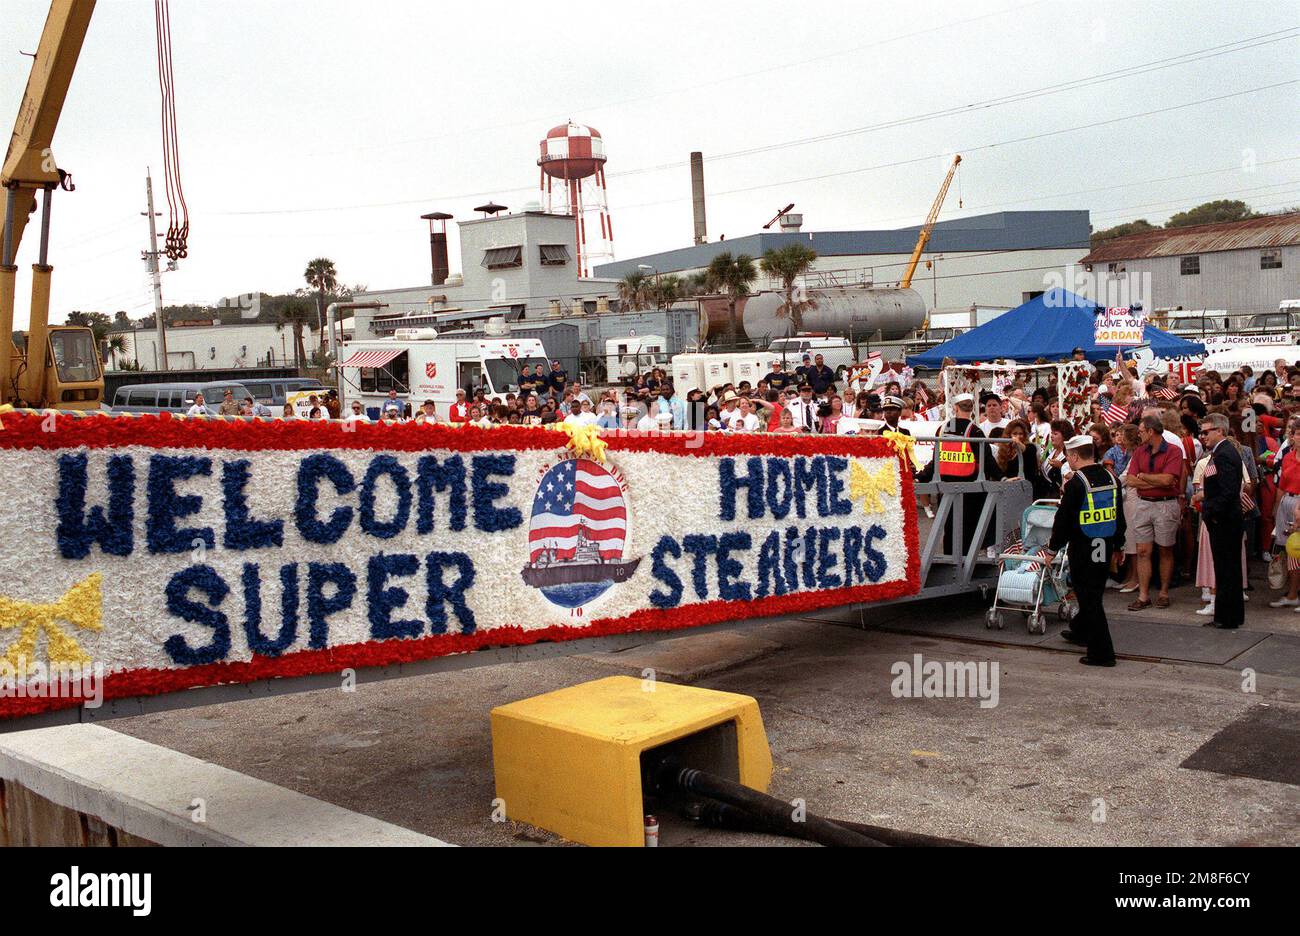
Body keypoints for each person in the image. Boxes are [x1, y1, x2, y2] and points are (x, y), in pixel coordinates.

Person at [1044, 435, 1124, 666]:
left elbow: (1063, 520)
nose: (1067, 458)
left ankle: (1102, 653)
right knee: (1094, 592)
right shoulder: (1112, 478)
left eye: (1068, 455)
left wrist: (1051, 549)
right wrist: (1118, 545)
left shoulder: (1076, 483)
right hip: (1106, 543)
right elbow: (1118, 515)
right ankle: (1080, 630)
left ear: (1075, 456)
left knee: (1089, 597)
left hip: (1083, 547)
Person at [1124, 413, 1185, 611]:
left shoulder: (1173, 451)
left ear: (1151, 432)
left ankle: (1164, 592)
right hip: (1144, 504)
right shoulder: (1139, 452)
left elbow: (1169, 480)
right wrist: (1154, 480)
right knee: (1143, 551)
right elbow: (1131, 480)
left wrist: (1144, 478)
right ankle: (1143, 595)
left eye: (1141, 431)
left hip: (1165, 505)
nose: (1139, 435)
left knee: (1165, 549)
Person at [1196, 413, 1245, 629]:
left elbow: (1228, 491)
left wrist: (1212, 512)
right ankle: (1225, 615)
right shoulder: (1220, 453)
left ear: (1220, 431)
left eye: (1206, 432)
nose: (1203, 436)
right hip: (1223, 520)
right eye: (1202, 432)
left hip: (1224, 521)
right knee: (1225, 570)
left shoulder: (1224, 454)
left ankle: (1228, 617)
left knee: (1227, 570)